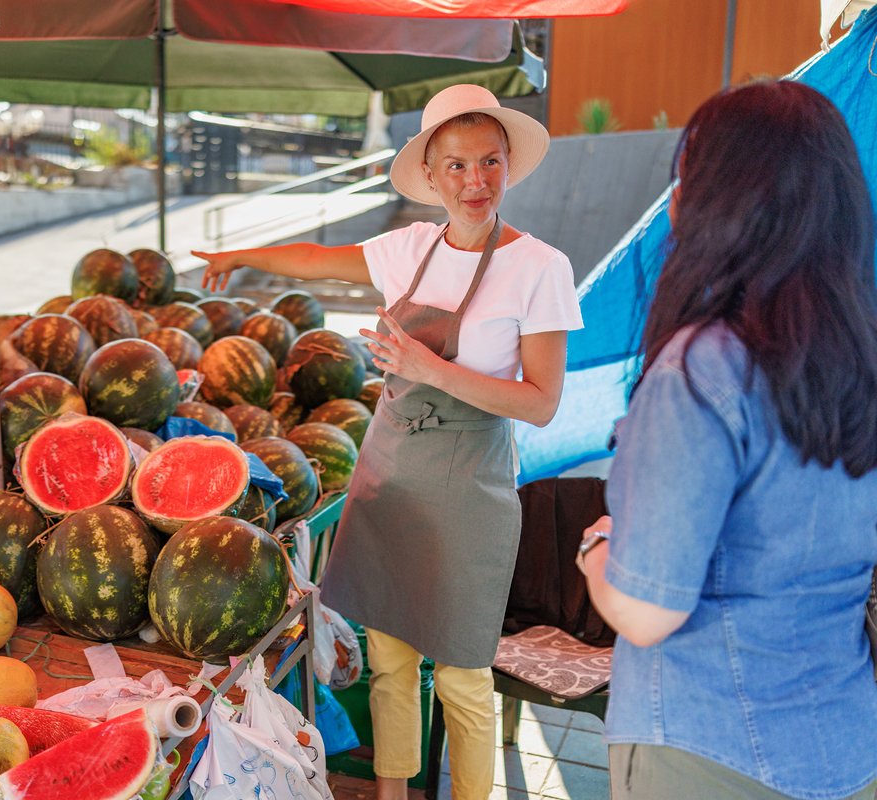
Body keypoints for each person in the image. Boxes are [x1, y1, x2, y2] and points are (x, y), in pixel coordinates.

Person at [196, 84, 583, 800]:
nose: (476, 181)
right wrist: (238, 253)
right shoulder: (407, 248)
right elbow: (316, 258)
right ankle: (390, 794)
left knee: (464, 673)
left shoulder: (540, 267)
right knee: (392, 660)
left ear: (509, 165)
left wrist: (429, 367)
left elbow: (541, 403)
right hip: (391, 469)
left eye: (490, 162)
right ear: (430, 175)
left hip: (470, 482)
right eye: (457, 165)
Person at [576, 80, 877, 800]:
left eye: (686, 179)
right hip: (849, 746)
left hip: (707, 751)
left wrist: (597, 550)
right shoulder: (860, 355)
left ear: (719, 207)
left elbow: (647, 612)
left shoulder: (701, 370)